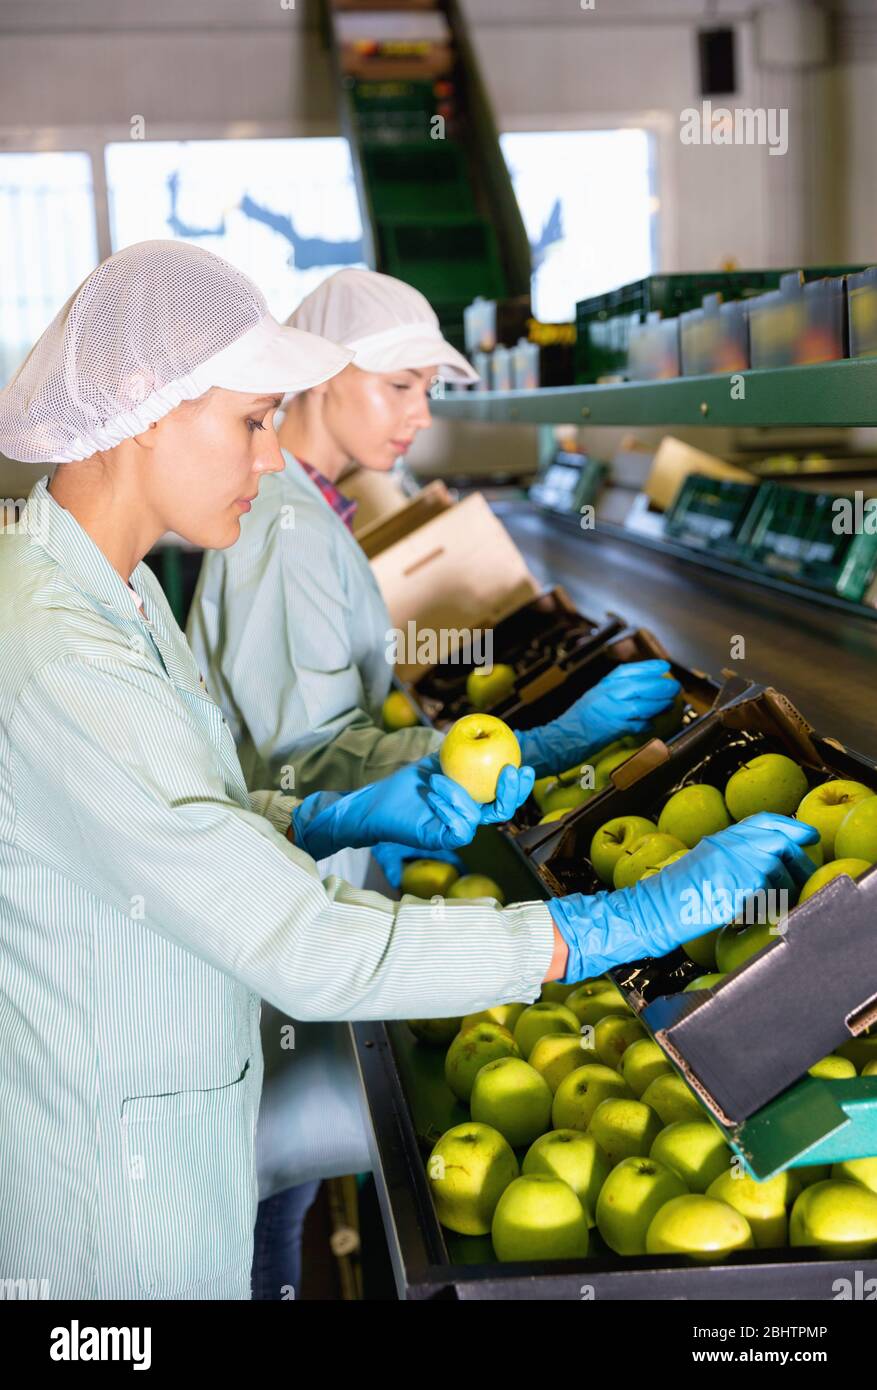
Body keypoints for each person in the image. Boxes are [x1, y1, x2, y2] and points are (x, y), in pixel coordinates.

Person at [0, 240, 817, 1300]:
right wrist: (605, 928)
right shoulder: (64, 649)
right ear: (148, 408)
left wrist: (322, 816)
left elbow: (166, 817)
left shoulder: (120, 595)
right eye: (252, 422)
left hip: (165, 1125)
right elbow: (301, 943)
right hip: (112, 1204)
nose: (266, 458)